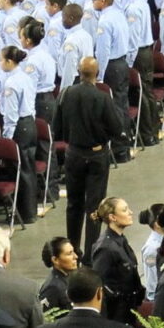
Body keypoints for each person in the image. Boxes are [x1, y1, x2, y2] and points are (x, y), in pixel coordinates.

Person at [58, 57, 126, 253]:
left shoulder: (65, 94)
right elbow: (116, 128)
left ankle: (71, 249)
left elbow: (57, 126)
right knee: (95, 206)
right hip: (96, 155)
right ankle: (91, 252)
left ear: (78, 72)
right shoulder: (102, 98)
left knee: (73, 203)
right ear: (97, 73)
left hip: (74, 153)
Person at [85, 198, 144, 322]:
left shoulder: (120, 239)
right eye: (124, 210)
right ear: (113, 217)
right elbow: (99, 283)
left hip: (128, 307)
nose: (130, 212)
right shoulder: (105, 248)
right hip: (116, 313)